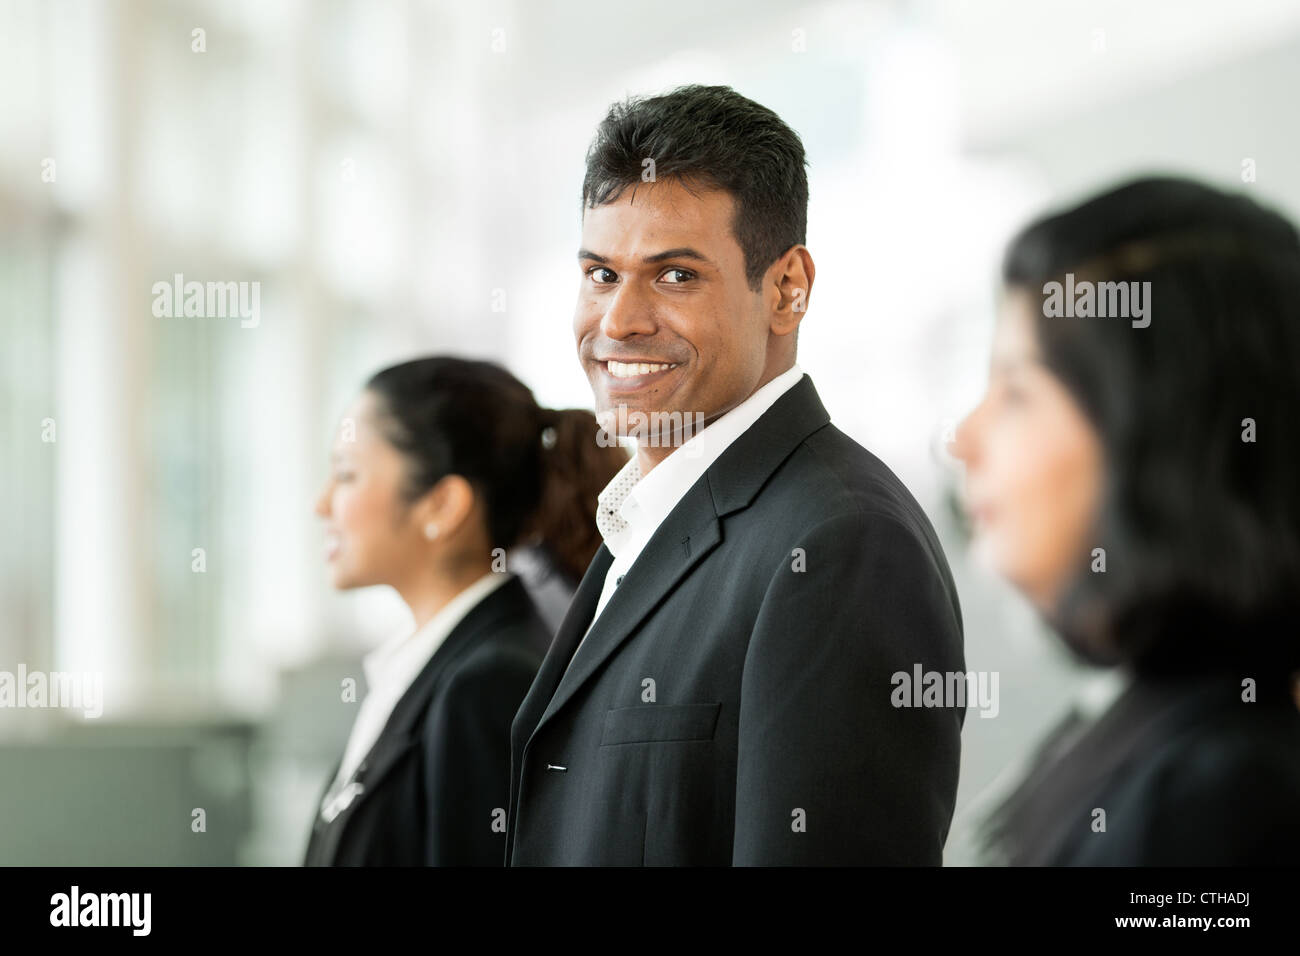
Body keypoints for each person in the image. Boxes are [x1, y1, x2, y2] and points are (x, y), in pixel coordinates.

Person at [506, 85, 965, 866]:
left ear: (787, 289)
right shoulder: (645, 518)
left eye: (675, 276)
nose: (619, 323)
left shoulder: (840, 547)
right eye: (601, 274)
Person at [952, 176, 1300, 865]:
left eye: (1017, 391)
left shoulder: (1219, 795)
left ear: (1159, 432)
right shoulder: (1142, 730)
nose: (963, 437)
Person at [304, 356, 624, 865]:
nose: (323, 504)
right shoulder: (427, 667)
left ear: (443, 506)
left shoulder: (487, 683)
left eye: (346, 475)